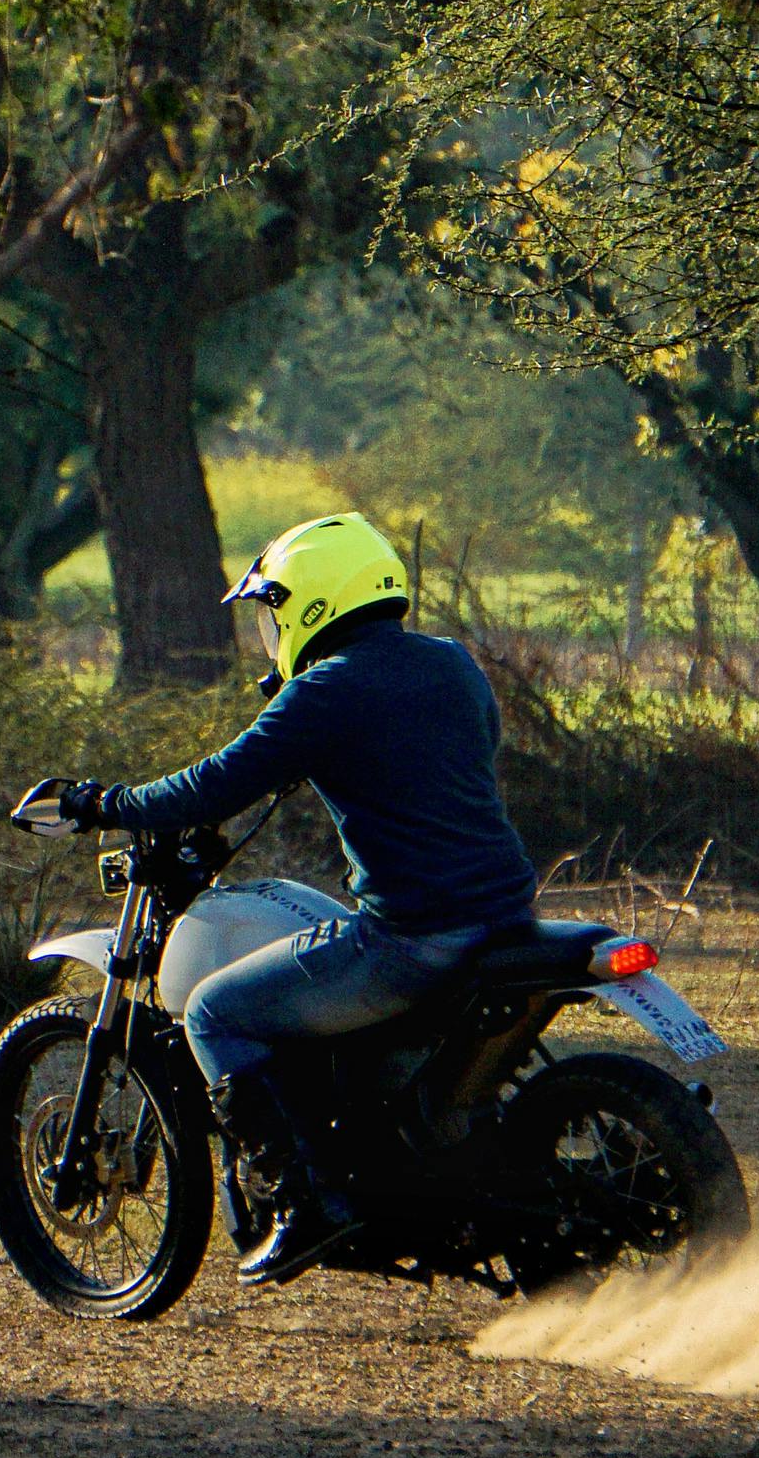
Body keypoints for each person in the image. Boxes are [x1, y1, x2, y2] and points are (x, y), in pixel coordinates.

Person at [45, 511, 540, 1283]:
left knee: (214, 1009)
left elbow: (213, 784)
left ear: (308, 601)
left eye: (272, 611)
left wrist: (101, 803)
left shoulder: (326, 691)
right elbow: (470, 749)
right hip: (509, 918)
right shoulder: (452, 664)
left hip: (411, 939)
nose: (270, 632)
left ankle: (306, 1205)